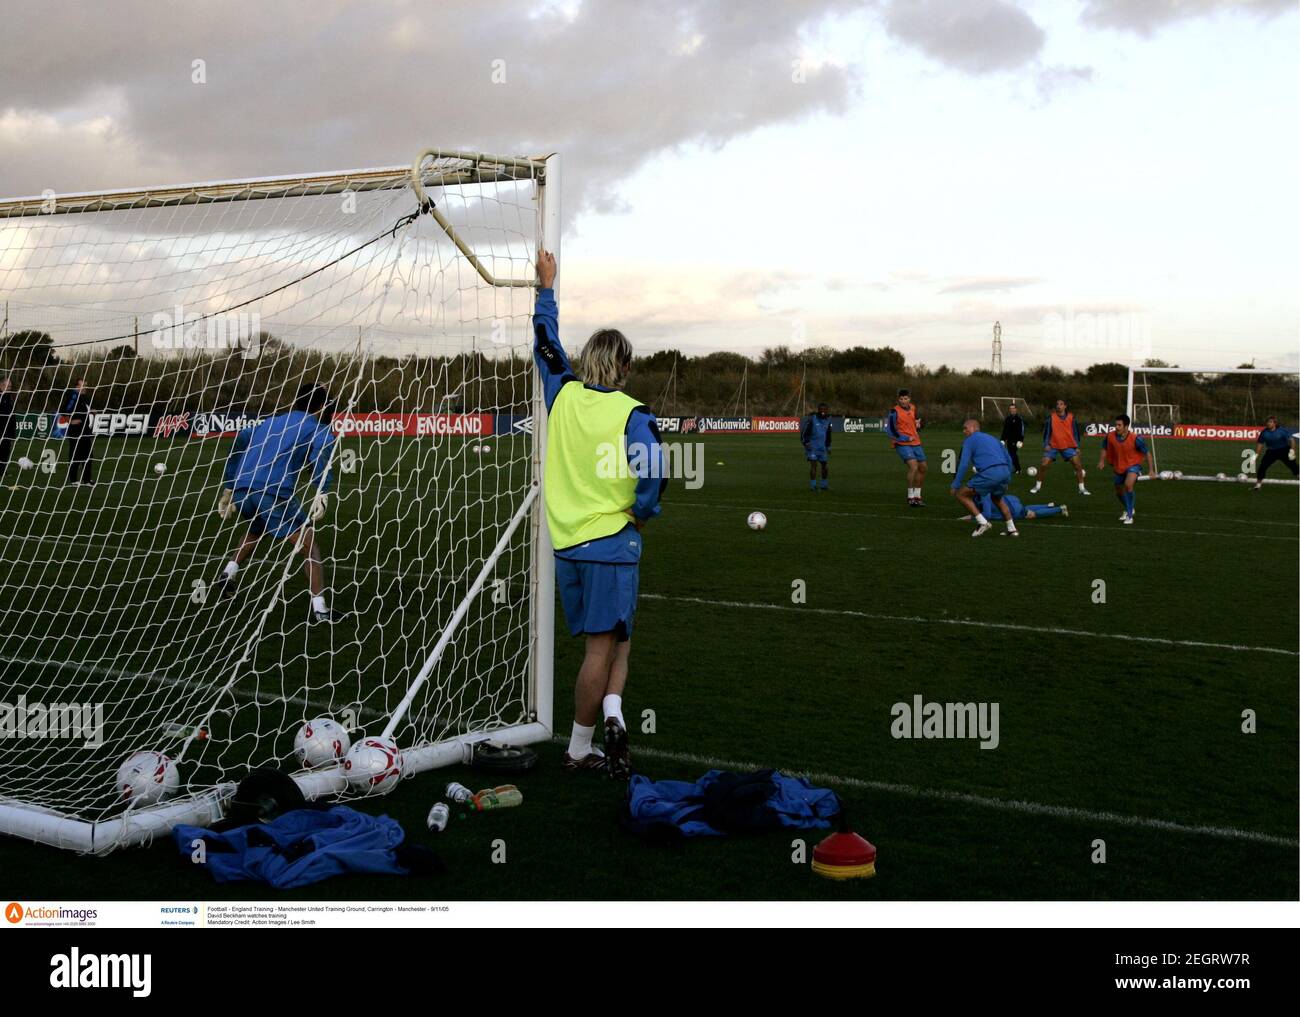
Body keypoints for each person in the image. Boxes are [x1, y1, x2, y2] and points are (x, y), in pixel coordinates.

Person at [532, 249, 665, 779]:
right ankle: (580, 748)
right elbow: (654, 471)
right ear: (627, 367)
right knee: (606, 648)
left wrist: (547, 289)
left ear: (586, 360)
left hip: (566, 545)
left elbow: (546, 344)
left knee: (615, 641)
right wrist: (642, 512)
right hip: (612, 542)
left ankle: (612, 714)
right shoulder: (632, 412)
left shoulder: (561, 394)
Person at [213, 382, 338, 622]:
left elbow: (242, 438)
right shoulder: (316, 426)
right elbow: (323, 448)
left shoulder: (271, 421)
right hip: (272, 490)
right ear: (322, 406)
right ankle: (320, 610)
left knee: (256, 529)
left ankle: (229, 572)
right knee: (309, 545)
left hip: (243, 490)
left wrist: (230, 485)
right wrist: (322, 490)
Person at [950, 417, 1017, 537]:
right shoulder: (993, 438)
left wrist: (956, 484)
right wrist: (1008, 476)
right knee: (997, 499)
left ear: (974, 428)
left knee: (961, 494)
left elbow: (964, 464)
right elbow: (1008, 458)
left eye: (965, 428)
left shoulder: (969, 441)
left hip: (990, 473)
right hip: (1005, 472)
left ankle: (982, 523)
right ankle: (1012, 529)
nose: (964, 431)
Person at [1097, 413, 1151, 525]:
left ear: (1126, 426)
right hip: (1119, 466)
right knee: (1118, 491)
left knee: (1128, 484)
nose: (1116, 427)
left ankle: (1129, 515)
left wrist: (1151, 470)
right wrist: (1102, 461)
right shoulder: (1110, 436)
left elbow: (1147, 453)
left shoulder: (1136, 438)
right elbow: (1104, 448)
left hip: (1133, 465)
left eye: (1119, 425)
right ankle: (1128, 508)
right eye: (1116, 425)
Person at [1031, 398, 1090, 497]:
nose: (1059, 406)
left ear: (1065, 406)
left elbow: (1076, 433)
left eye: (1061, 404)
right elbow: (1046, 432)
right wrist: (1046, 444)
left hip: (1068, 445)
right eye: (1057, 404)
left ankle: (1082, 488)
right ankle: (1037, 486)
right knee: (1043, 465)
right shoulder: (1051, 418)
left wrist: (1076, 447)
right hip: (1053, 445)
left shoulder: (1071, 418)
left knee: (1078, 465)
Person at [886, 388, 926, 506]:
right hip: (902, 443)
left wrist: (919, 426)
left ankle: (918, 496)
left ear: (909, 399)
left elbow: (915, 423)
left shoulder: (913, 408)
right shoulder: (894, 411)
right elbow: (890, 430)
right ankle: (910, 497)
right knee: (913, 467)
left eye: (906, 398)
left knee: (923, 468)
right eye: (901, 399)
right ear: (898, 399)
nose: (904, 401)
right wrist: (904, 438)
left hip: (916, 442)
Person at [57, 378, 95, 486]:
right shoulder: (73, 396)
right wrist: (71, 421)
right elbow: (63, 410)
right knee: (75, 455)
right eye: (83, 385)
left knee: (88, 455)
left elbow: (84, 410)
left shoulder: (85, 397)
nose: (85, 388)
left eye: (86, 385)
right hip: (76, 431)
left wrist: (91, 411)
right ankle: (73, 480)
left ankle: (87, 480)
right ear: (77, 387)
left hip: (85, 430)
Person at [959, 493, 1068, 524]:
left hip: (1012, 509)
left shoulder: (982, 498)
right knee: (1025, 509)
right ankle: (1047, 505)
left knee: (1030, 514)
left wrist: (973, 519)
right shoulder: (984, 492)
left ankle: (1060, 509)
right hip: (1010, 500)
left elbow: (986, 515)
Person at [1252, 416, 1298, 489]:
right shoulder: (1264, 433)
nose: (1268, 423)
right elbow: (1260, 444)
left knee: (1294, 466)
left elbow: (1292, 441)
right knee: (1262, 466)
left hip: (1284, 450)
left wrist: (1292, 451)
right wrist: (1256, 455)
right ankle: (1258, 485)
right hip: (1271, 452)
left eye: (1270, 422)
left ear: (1275, 423)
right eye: (1267, 422)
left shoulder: (1282, 431)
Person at [801, 402, 832, 491]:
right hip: (812, 448)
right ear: (818, 410)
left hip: (822, 448)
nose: (823, 411)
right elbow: (804, 433)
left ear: (827, 411)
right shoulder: (812, 420)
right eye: (821, 409)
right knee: (814, 466)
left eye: (824, 410)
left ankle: (824, 485)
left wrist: (828, 446)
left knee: (825, 466)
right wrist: (806, 443)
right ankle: (813, 486)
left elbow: (828, 435)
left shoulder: (827, 421)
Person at [999, 402, 1026, 473]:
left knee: (1012, 453)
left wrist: (1021, 440)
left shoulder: (1019, 419)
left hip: (1016, 440)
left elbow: (1022, 430)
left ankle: (1017, 469)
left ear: (1016, 409)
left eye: (1013, 408)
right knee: (1011, 454)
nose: (1012, 410)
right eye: (1010, 408)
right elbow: (1005, 430)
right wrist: (1002, 439)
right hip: (1009, 440)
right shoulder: (1007, 418)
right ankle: (1017, 469)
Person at [0, 378, 15, 486]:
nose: (9, 388)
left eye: (10, 386)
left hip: (8, 431)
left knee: (5, 452)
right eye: (7, 386)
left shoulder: (9, 397)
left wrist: (13, 433)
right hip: (0, 430)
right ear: (1, 386)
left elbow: (12, 416)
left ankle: (2, 471)